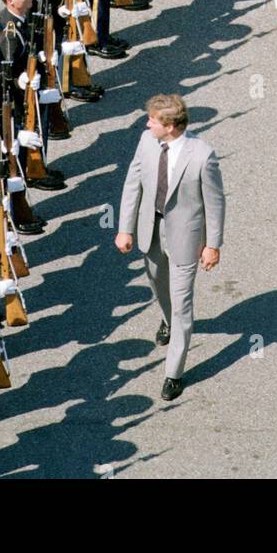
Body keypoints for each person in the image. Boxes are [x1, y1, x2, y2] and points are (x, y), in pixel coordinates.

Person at [115, 94, 225, 402]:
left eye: (153, 120)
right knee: (156, 282)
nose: (147, 123)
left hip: (186, 238)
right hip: (150, 230)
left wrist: (212, 245)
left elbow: (215, 204)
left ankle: (173, 373)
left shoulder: (203, 155)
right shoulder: (146, 141)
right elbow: (132, 184)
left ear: (171, 126)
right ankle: (167, 319)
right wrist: (125, 228)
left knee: (182, 304)